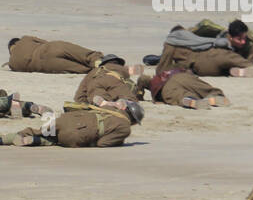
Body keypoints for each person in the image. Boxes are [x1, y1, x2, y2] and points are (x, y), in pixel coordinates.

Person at [0, 100, 143, 147]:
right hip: (75, 134)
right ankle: (38, 140)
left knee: (40, 130)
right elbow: (102, 143)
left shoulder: (110, 108)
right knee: (52, 140)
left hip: (65, 118)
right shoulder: (125, 128)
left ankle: (4, 139)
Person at [6, 35, 106, 73]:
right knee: (84, 55)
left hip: (46, 65)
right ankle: (98, 61)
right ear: (16, 42)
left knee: (81, 69)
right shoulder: (25, 38)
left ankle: (95, 70)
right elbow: (44, 42)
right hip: (49, 48)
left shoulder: (12, 64)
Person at [139, 66, 229, 108]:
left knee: (180, 96)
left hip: (166, 87)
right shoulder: (170, 70)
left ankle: (190, 100)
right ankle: (216, 95)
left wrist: (138, 95)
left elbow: (142, 78)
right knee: (204, 89)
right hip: (183, 76)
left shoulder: (154, 81)